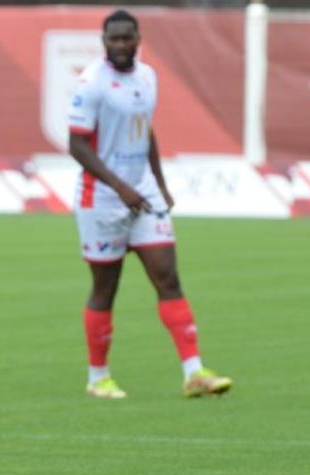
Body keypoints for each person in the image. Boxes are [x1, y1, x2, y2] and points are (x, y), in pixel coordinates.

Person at [68, 8, 233, 400]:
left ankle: (194, 372)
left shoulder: (148, 76)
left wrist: (159, 184)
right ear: (104, 41)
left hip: (144, 194)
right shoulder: (91, 83)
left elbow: (144, 131)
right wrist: (120, 186)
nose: (120, 45)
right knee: (105, 290)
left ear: (138, 40)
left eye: (127, 38)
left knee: (168, 278)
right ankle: (98, 377)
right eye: (113, 39)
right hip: (102, 200)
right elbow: (76, 145)